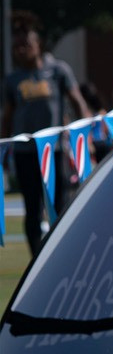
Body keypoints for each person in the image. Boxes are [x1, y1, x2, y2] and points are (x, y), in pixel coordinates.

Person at [3, 21, 91, 256]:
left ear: (38, 44)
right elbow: (7, 117)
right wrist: (4, 150)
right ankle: (36, 261)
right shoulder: (13, 80)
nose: (21, 49)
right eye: (16, 46)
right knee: (32, 209)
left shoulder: (58, 70)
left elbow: (78, 103)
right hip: (25, 154)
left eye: (25, 44)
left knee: (60, 206)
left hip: (55, 151)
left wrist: (84, 139)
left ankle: (64, 256)